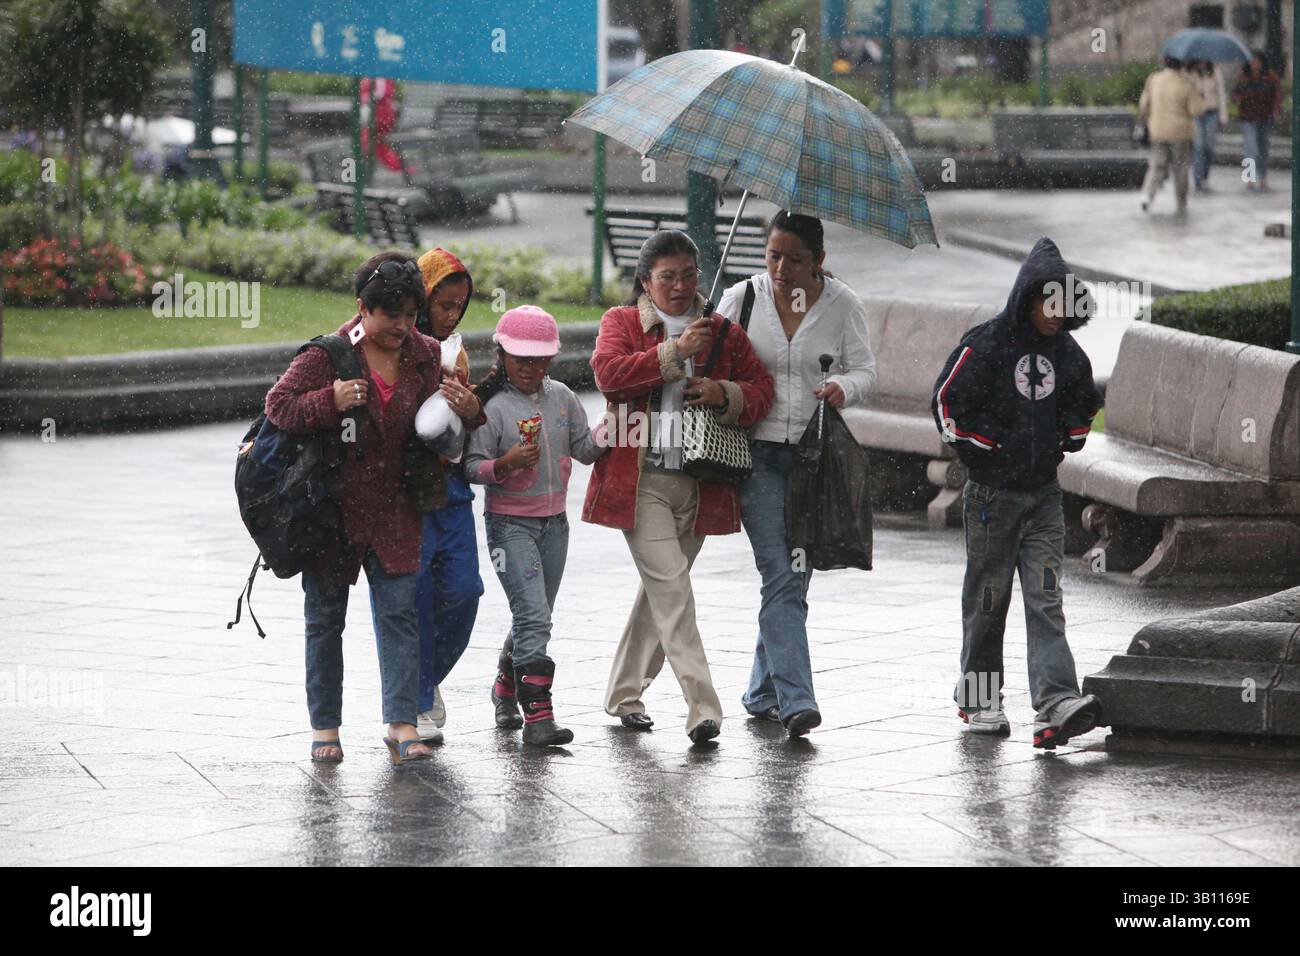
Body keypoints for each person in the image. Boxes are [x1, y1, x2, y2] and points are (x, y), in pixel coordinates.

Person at [586, 230, 775, 744]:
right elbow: (609, 376)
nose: (679, 285)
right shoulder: (621, 322)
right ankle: (703, 706)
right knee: (673, 589)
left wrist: (723, 391)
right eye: (667, 276)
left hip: (702, 481)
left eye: (688, 274)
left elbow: (761, 392)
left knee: (659, 594)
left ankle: (625, 693)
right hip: (640, 481)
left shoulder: (723, 332)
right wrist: (673, 353)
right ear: (645, 280)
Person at [265, 252, 442, 765]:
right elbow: (279, 407)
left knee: (400, 617)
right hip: (331, 510)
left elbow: (437, 422)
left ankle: (402, 724)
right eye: (391, 315)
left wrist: (465, 409)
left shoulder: (426, 353)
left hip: (397, 507)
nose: (402, 327)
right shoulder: (328, 355)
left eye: (411, 315)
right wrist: (331, 399)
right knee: (324, 621)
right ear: (362, 309)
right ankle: (325, 727)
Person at [930, 236, 1103, 749]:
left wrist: (1066, 438)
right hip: (990, 499)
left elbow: (1082, 404)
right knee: (988, 600)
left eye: (1062, 304)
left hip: (1043, 497)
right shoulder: (985, 346)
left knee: (1046, 597)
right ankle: (981, 699)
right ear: (1026, 296)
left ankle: (1056, 704)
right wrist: (993, 443)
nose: (1054, 313)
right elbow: (946, 406)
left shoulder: (1069, 356)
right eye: (1046, 301)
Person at [715, 211, 875, 738]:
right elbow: (714, 361)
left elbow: (865, 371)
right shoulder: (742, 298)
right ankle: (797, 700)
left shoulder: (842, 305)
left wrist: (842, 389)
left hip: (814, 458)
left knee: (794, 577)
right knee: (781, 575)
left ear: (820, 262)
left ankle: (762, 690)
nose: (782, 268)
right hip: (757, 455)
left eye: (796, 259)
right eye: (774, 255)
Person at [464, 306, 607, 747]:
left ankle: (505, 689)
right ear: (501, 354)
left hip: (555, 525)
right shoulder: (491, 407)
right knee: (534, 616)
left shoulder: (562, 397)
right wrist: (504, 465)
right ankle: (539, 717)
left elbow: (585, 449)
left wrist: (614, 421)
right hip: (509, 525)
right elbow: (470, 466)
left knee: (534, 616)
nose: (531, 368)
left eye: (540, 359)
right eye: (521, 359)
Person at [377, 247, 486, 745]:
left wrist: (470, 408)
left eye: (460, 306)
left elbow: (463, 429)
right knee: (409, 596)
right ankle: (413, 700)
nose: (452, 315)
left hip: (451, 489)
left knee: (464, 592)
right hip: (402, 494)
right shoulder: (388, 345)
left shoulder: (455, 353)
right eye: (444, 304)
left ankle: (424, 679)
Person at [1138, 55, 1205, 214]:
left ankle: (1147, 195)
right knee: (1180, 169)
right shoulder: (1186, 84)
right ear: (1181, 65)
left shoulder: (1154, 79)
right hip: (1180, 133)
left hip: (1158, 130)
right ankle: (1181, 203)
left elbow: (1143, 105)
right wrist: (1200, 96)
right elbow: (1196, 110)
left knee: (1156, 166)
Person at [1233, 51, 1284, 192]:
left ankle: (1262, 178)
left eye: (1257, 61)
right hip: (1247, 118)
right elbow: (1235, 93)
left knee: (1263, 149)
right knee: (1251, 148)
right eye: (1252, 61)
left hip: (1265, 117)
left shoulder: (1271, 77)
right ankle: (1249, 178)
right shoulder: (1243, 76)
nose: (1254, 64)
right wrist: (1238, 98)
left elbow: (1278, 95)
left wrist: (1275, 111)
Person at [1188, 60, 1228, 193]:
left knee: (1209, 146)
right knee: (1199, 146)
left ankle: (1204, 175)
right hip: (1197, 114)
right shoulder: (1191, 74)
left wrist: (1223, 115)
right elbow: (1187, 93)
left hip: (1212, 113)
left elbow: (1221, 94)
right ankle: (1198, 180)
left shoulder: (1215, 72)